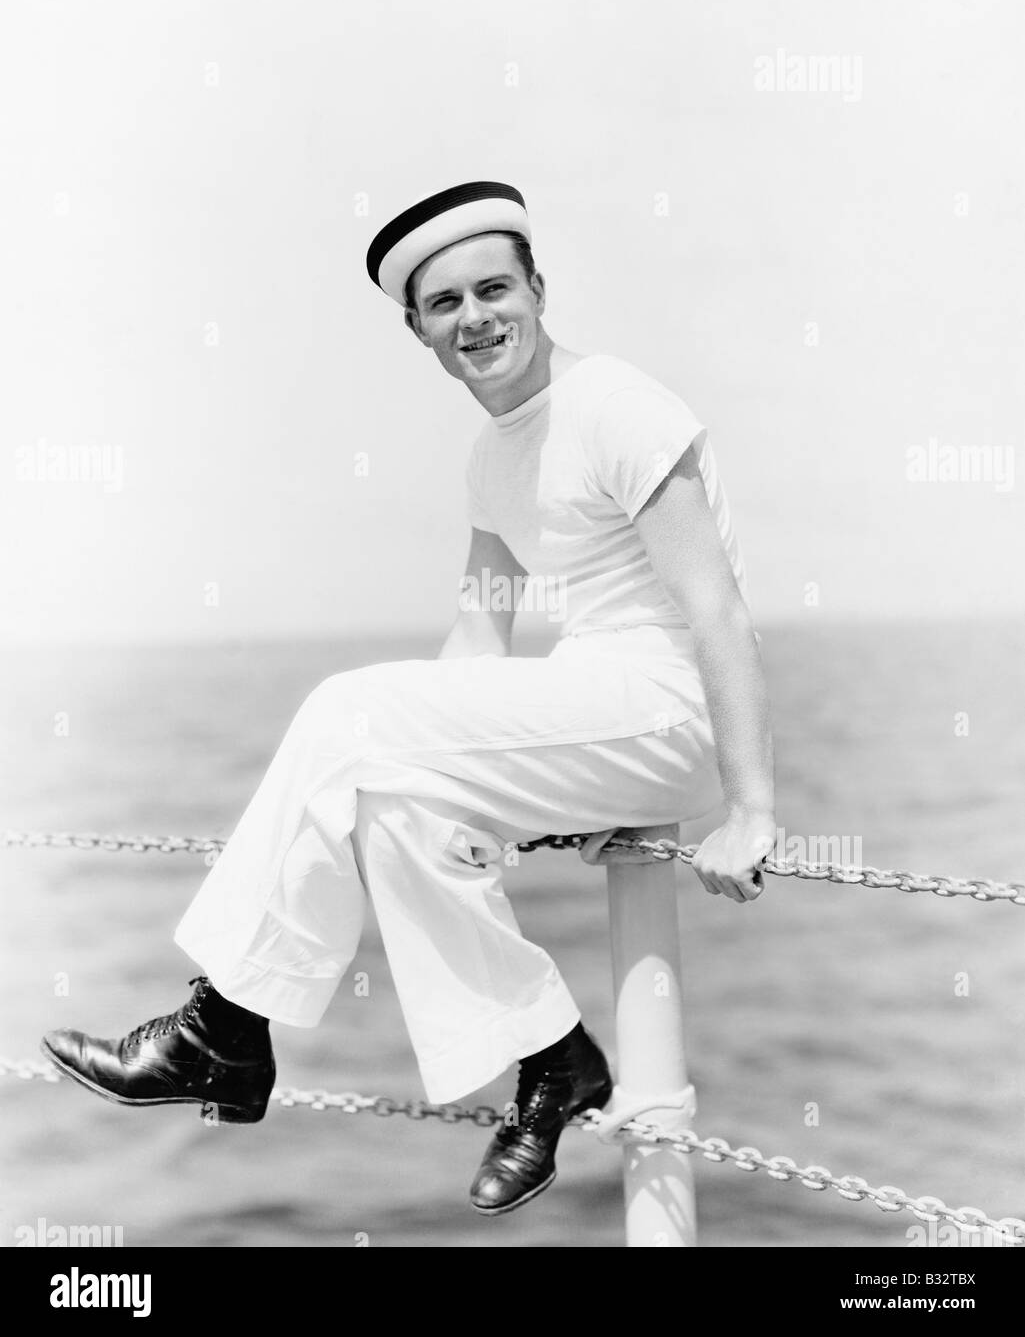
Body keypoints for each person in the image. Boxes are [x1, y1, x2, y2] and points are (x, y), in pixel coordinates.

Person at [41, 180, 775, 1217]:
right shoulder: (491, 457)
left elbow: (718, 614)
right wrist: (436, 763)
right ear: (419, 329)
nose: (476, 318)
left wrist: (747, 811)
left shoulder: (618, 404)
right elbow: (480, 635)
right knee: (390, 807)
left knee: (349, 711)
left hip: (665, 705)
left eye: (494, 290)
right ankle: (551, 1056)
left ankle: (226, 1030)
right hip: (593, 710)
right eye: (446, 305)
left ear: (536, 289)